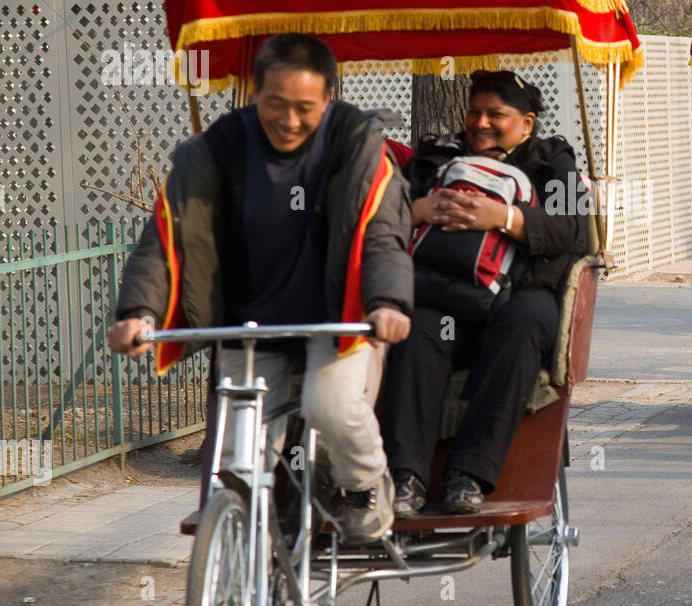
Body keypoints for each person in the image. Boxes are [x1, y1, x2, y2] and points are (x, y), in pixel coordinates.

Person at [107, 33, 414, 544]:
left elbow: (382, 236)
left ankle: (364, 486)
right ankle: (248, 568)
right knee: (235, 461)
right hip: (249, 324)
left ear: (329, 99)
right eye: (275, 104)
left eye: (304, 108)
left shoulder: (354, 148)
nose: (288, 121)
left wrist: (386, 303)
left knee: (330, 407)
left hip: (336, 320)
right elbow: (166, 243)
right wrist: (139, 313)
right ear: (254, 92)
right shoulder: (215, 152)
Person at [383, 71, 589, 517]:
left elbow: (575, 229)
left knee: (525, 323)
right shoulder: (436, 155)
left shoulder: (551, 159)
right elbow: (382, 215)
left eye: (496, 115)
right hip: (444, 296)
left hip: (521, 295)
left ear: (527, 123)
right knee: (417, 329)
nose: (481, 123)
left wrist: (506, 217)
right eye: (474, 112)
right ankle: (406, 476)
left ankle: (469, 474)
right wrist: (419, 210)